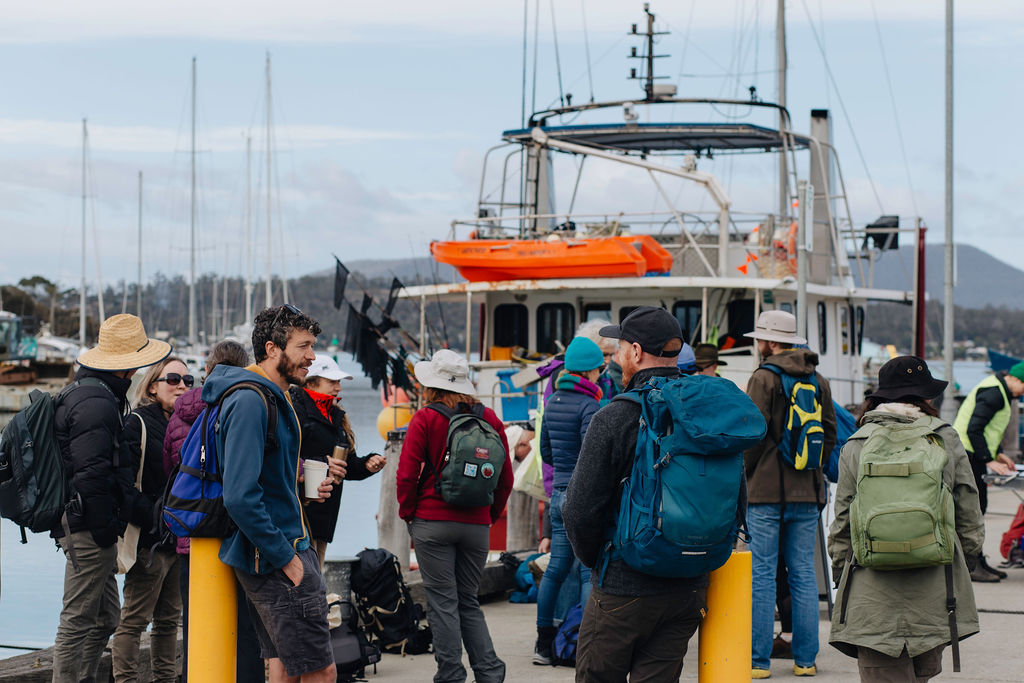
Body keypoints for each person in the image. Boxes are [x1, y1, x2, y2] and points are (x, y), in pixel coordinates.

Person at [563, 306, 707, 681]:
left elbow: (578, 511)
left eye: (621, 346)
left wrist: (600, 563)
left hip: (623, 585)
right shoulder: (706, 415)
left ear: (636, 352)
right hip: (687, 587)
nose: (616, 355)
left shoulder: (614, 417)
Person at [829, 356, 983, 682]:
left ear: (879, 398)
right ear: (925, 398)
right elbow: (968, 508)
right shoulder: (945, 437)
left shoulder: (857, 443)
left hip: (872, 594)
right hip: (934, 586)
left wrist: (842, 570)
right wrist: (964, 561)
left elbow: (842, 519)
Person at [208, 305, 339, 683]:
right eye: (303, 347)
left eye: (312, 347)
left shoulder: (271, 397)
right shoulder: (250, 400)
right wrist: (288, 557)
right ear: (271, 349)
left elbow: (262, 482)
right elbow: (239, 495)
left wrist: (302, 491)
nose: (312, 357)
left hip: (282, 548)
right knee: (321, 671)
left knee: (283, 666)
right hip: (278, 554)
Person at [51, 313, 171, 683]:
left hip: (86, 525)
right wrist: (106, 529)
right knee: (77, 620)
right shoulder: (96, 404)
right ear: (127, 366)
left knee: (106, 617)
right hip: (88, 529)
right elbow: (91, 475)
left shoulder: (93, 394)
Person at [396, 349, 512, 683]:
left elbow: (406, 476)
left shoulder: (425, 418)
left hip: (432, 523)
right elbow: (505, 478)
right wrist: (488, 516)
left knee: (442, 604)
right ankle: (489, 673)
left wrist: (409, 515)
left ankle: (450, 675)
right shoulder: (489, 419)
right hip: (476, 525)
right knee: (468, 602)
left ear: (431, 385)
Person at [743, 310, 836, 679]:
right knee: (803, 575)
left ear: (768, 342)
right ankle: (806, 660)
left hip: (765, 493)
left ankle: (758, 661)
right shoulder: (819, 379)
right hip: (806, 492)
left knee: (763, 575)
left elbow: (751, 433)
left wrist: (748, 474)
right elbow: (829, 434)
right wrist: (810, 470)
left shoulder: (763, 378)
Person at [161, 339, 259, 683]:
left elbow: (170, 468)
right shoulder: (243, 404)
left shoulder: (180, 414)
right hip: (233, 531)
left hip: (191, 533)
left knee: (197, 626)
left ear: (206, 370)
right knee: (245, 626)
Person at [111, 356, 189, 682]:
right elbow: (123, 486)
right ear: (153, 385)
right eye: (173, 379)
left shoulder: (187, 424)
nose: (182, 386)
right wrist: (154, 519)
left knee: (170, 620)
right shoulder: (138, 423)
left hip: (178, 540)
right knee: (134, 620)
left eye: (188, 381)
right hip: (149, 541)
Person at [533, 336, 604, 665]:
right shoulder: (591, 406)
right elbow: (594, 457)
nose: (601, 375)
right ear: (589, 371)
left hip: (558, 493)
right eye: (599, 370)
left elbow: (545, 451)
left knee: (556, 570)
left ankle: (543, 644)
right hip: (582, 496)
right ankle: (585, 644)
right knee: (589, 571)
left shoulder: (554, 400)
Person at [290, 352, 386, 568]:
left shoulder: (336, 416)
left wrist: (368, 464)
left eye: (338, 382)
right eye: (332, 381)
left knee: (315, 579)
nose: (338, 387)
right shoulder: (295, 411)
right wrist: (320, 463)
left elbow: (347, 468)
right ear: (312, 383)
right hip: (298, 517)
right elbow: (283, 457)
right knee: (305, 583)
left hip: (324, 518)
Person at [952, 361, 1024, 582]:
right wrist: (988, 460)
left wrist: (999, 453)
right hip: (968, 456)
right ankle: (971, 565)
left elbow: (990, 430)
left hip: (974, 454)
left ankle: (978, 561)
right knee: (973, 510)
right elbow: (974, 428)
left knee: (979, 508)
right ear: (1016, 379)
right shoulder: (994, 393)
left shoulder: (1000, 391)